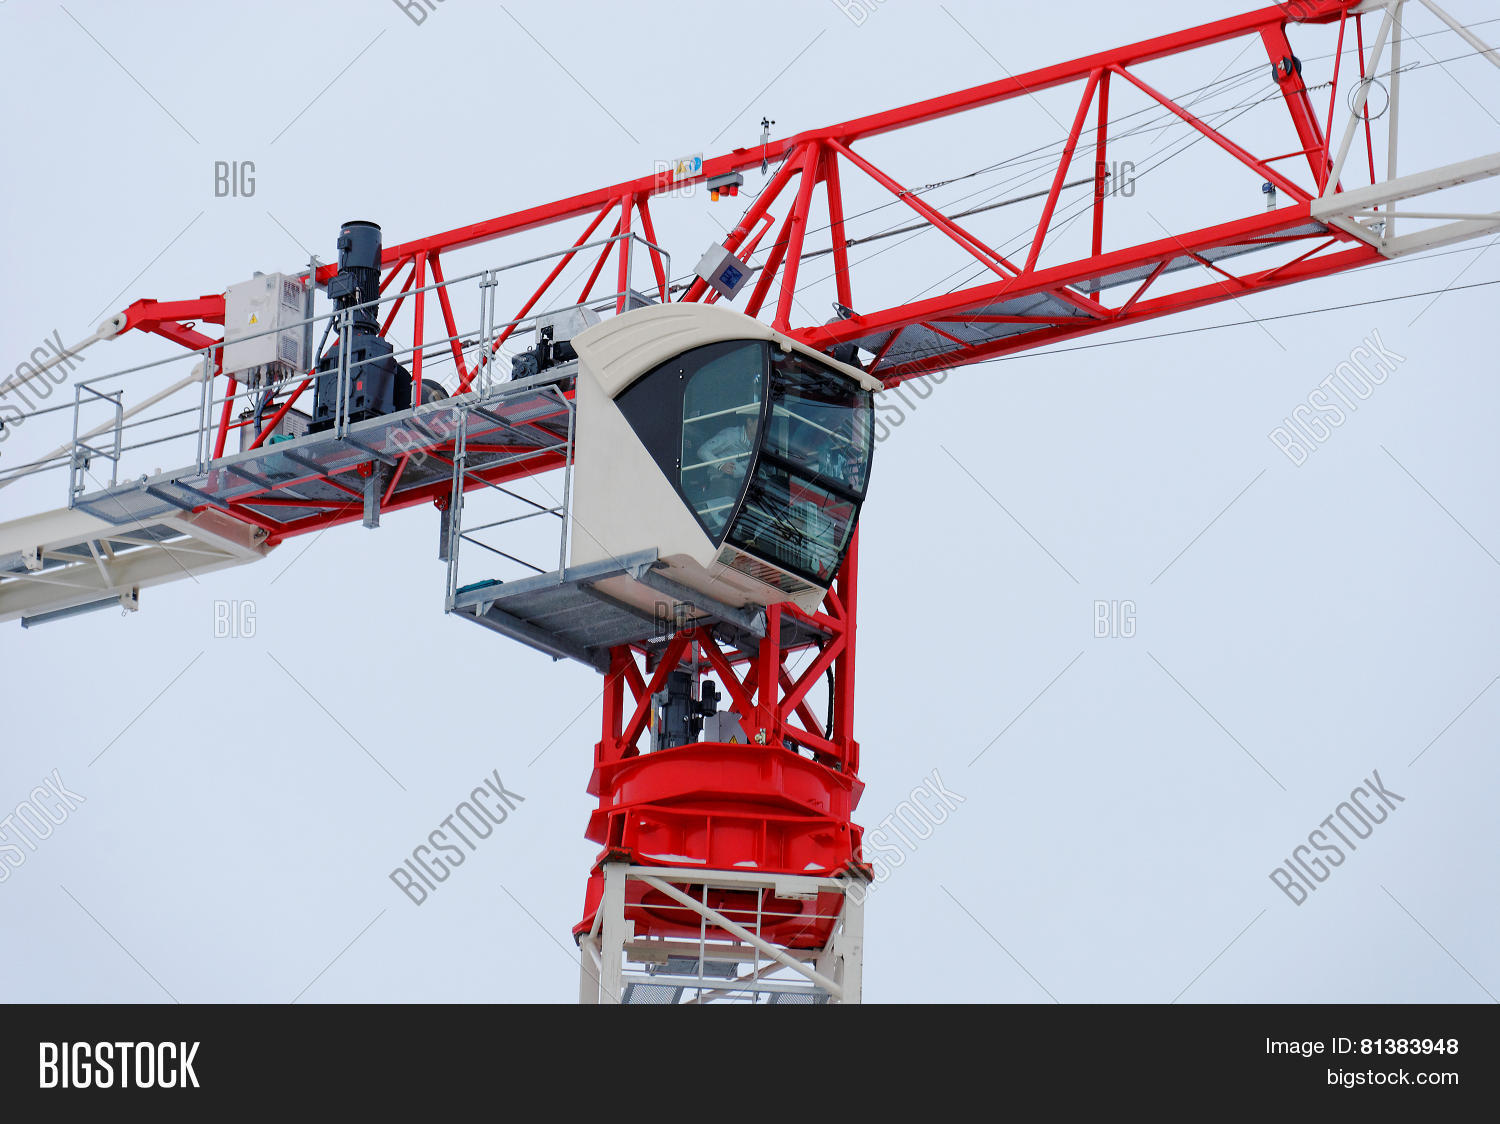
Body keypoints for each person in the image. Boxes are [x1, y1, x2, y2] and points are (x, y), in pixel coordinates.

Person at [696, 412, 758, 530]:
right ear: (749, 422)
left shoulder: (754, 444)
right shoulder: (731, 435)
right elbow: (702, 451)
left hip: (739, 488)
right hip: (722, 483)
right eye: (759, 423)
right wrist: (721, 465)